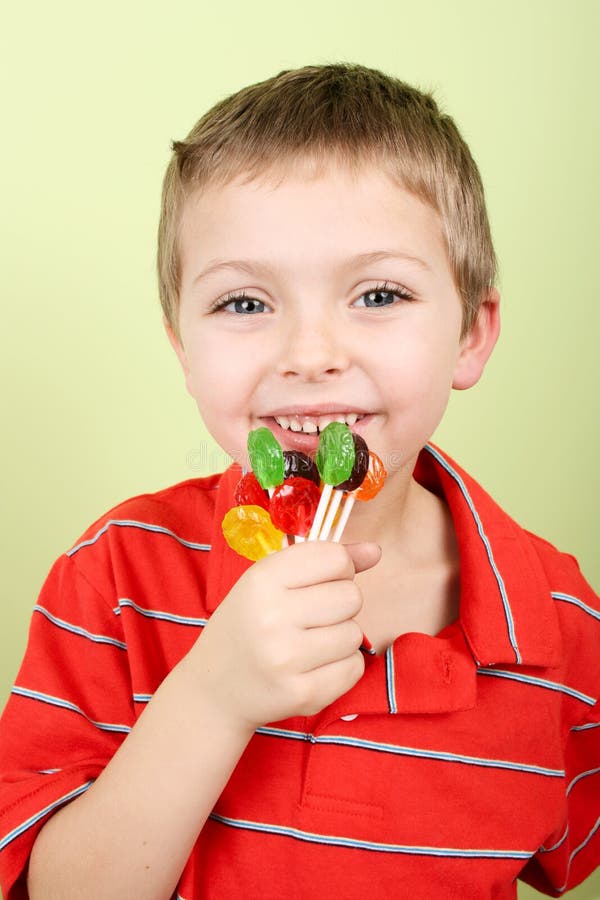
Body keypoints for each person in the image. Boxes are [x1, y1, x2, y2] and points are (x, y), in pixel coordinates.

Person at [0, 63, 598, 900]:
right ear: (183, 347)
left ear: (470, 333)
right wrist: (214, 696)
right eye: (245, 304)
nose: (310, 355)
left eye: (379, 294)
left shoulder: (562, 625)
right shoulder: (115, 575)